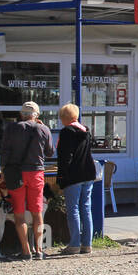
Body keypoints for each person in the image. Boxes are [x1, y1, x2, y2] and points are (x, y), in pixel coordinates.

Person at [0, 101, 55, 260]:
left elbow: (5, 152)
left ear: (21, 114)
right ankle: (39, 250)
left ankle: (26, 251)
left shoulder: (12, 128)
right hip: (36, 173)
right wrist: (43, 128)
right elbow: (50, 152)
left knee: (19, 215)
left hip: (16, 173)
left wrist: (3, 171)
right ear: (36, 115)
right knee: (37, 214)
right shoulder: (43, 128)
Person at [56, 103, 98, 255]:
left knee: (73, 208)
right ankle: (87, 244)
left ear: (65, 118)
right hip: (88, 173)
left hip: (73, 175)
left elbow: (64, 156)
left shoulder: (66, 132)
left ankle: (74, 244)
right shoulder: (85, 131)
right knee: (85, 208)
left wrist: (61, 177)